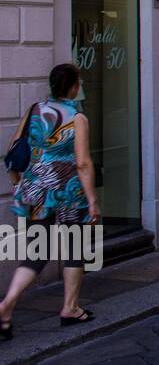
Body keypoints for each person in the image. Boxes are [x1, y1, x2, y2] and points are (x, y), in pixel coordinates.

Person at [1, 63, 101, 337]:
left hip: (35, 191)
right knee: (74, 248)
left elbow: (13, 148)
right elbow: (82, 163)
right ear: (74, 86)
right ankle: (70, 308)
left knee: (36, 252)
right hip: (68, 192)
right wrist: (92, 200)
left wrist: (18, 183)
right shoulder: (76, 118)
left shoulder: (34, 109)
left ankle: (6, 306)